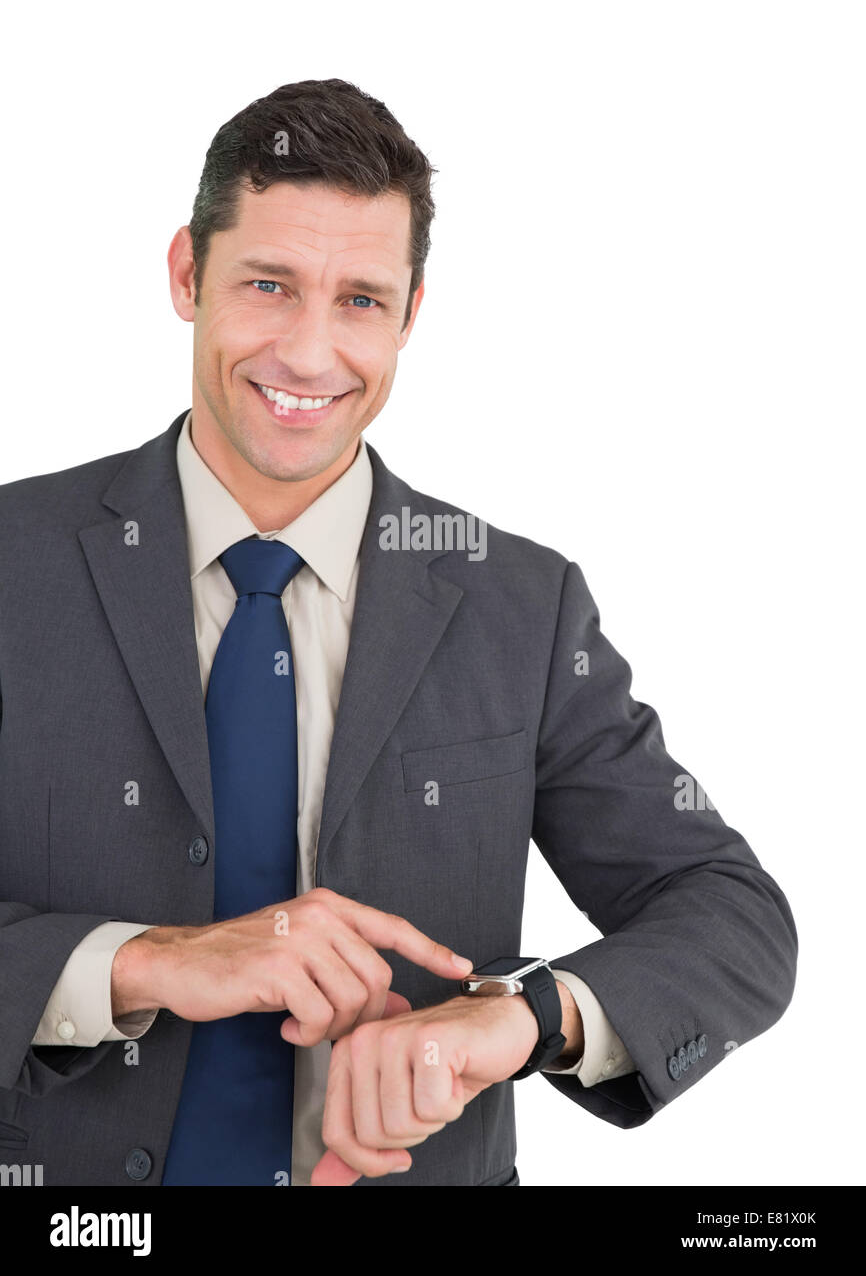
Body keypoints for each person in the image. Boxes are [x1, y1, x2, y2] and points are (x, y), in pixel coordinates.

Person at [0, 78, 797, 1187]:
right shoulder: (13, 564)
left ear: (412, 313)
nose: (310, 354)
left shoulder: (520, 606)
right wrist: (136, 964)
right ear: (187, 272)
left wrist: (523, 1016)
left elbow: (730, 915)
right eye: (267, 283)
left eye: (361, 299)